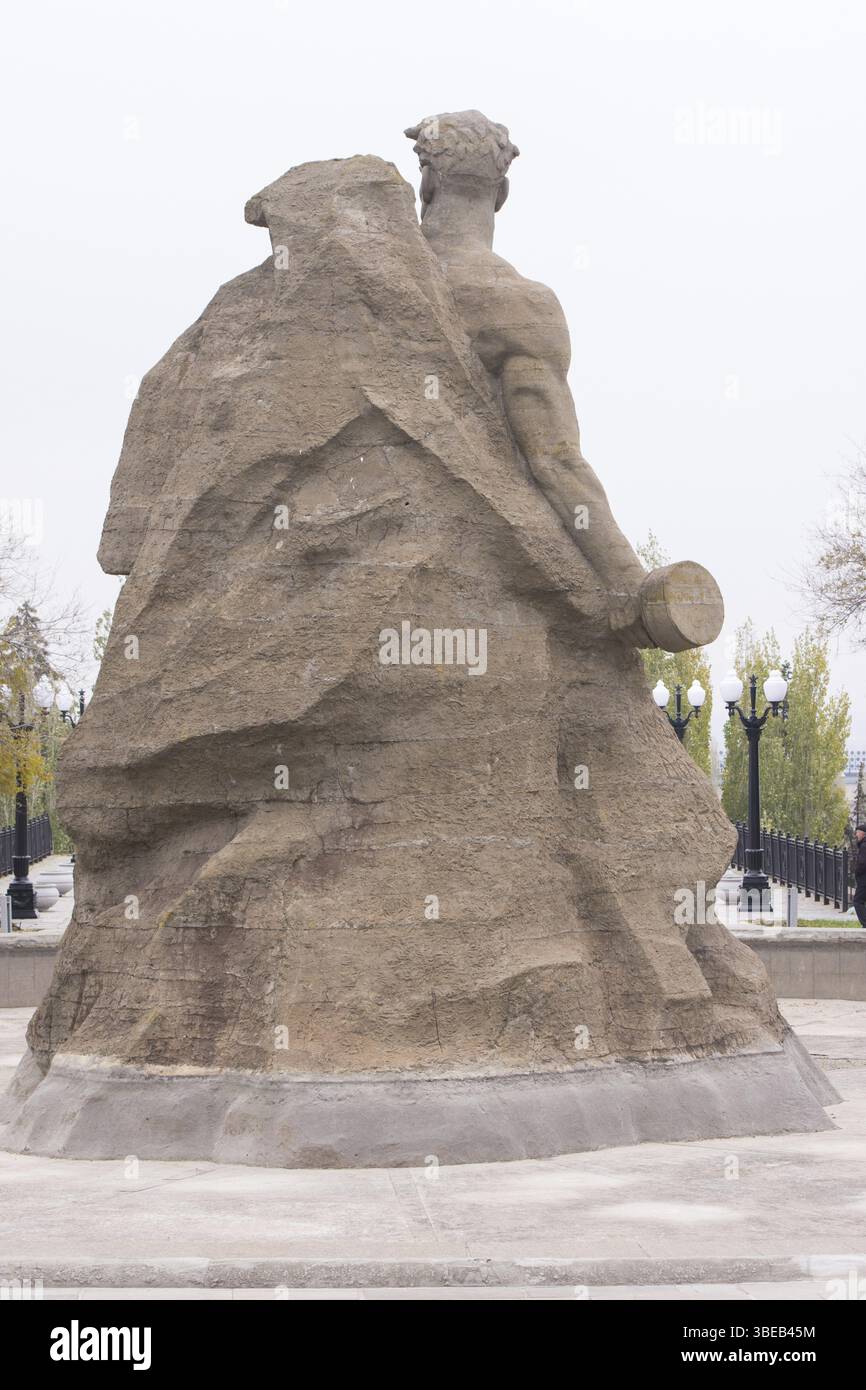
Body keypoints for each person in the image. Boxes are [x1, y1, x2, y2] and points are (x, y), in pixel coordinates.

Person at [853, 825, 866, 927]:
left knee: (857, 901)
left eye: (857, 832)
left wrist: (857, 872)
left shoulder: (864, 846)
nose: (856, 834)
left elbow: (862, 863)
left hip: (864, 879)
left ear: (863, 833)